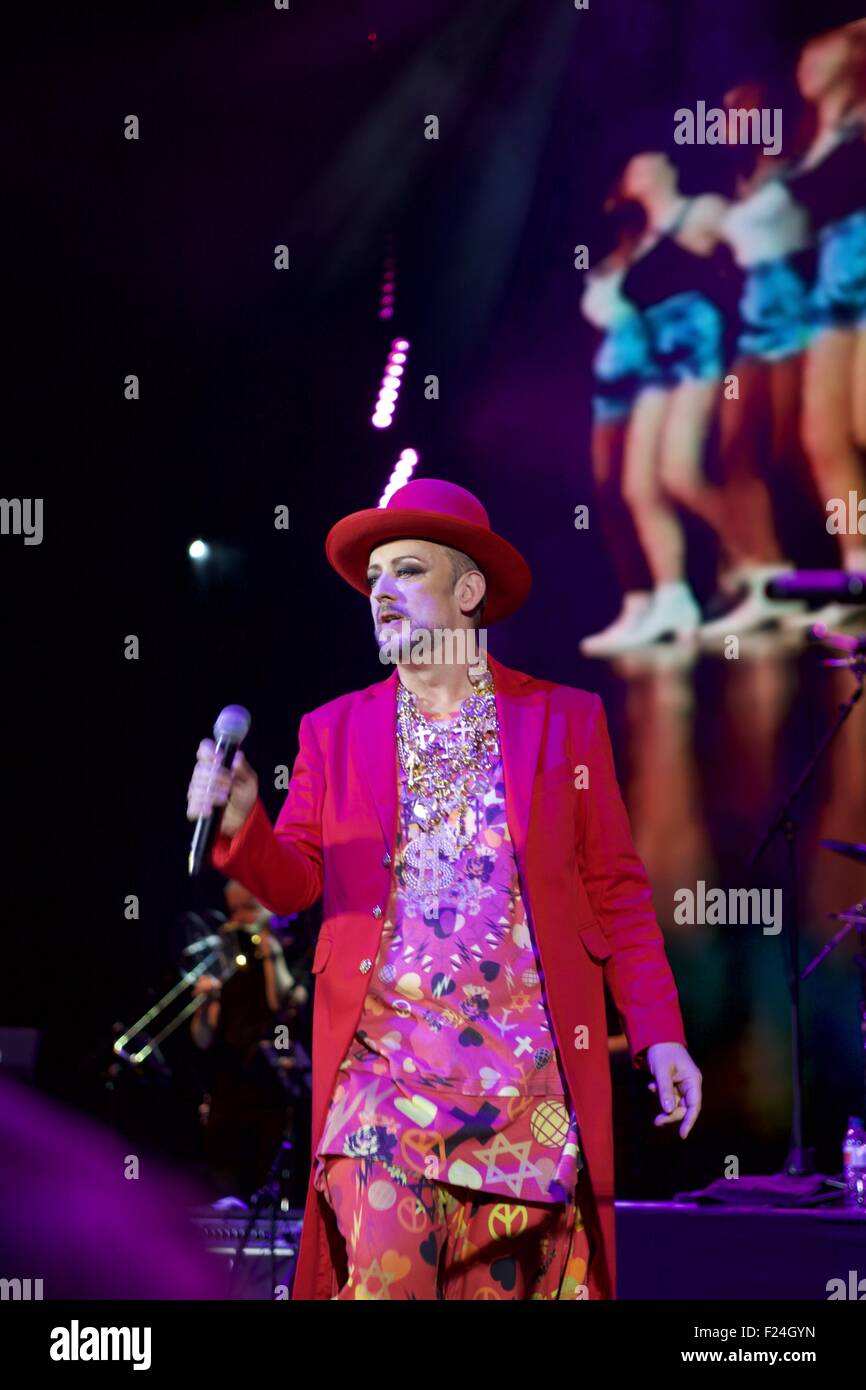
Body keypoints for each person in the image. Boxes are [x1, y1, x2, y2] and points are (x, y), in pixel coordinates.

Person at [186, 477, 701, 1300]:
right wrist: (245, 820)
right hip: (380, 1090)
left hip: (525, 1097)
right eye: (375, 578)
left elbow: (616, 890)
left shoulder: (565, 722)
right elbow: (294, 884)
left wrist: (659, 1032)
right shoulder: (333, 729)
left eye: (407, 572)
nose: (381, 592)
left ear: (469, 591)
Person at [191, 880, 304, 1201]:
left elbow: (278, 1001)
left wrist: (271, 953)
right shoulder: (226, 963)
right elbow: (202, 1038)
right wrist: (204, 1003)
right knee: (224, 1192)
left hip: (270, 1092)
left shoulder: (289, 951)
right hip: (228, 1092)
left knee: (264, 1187)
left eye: (249, 909)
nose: (239, 918)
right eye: (234, 910)